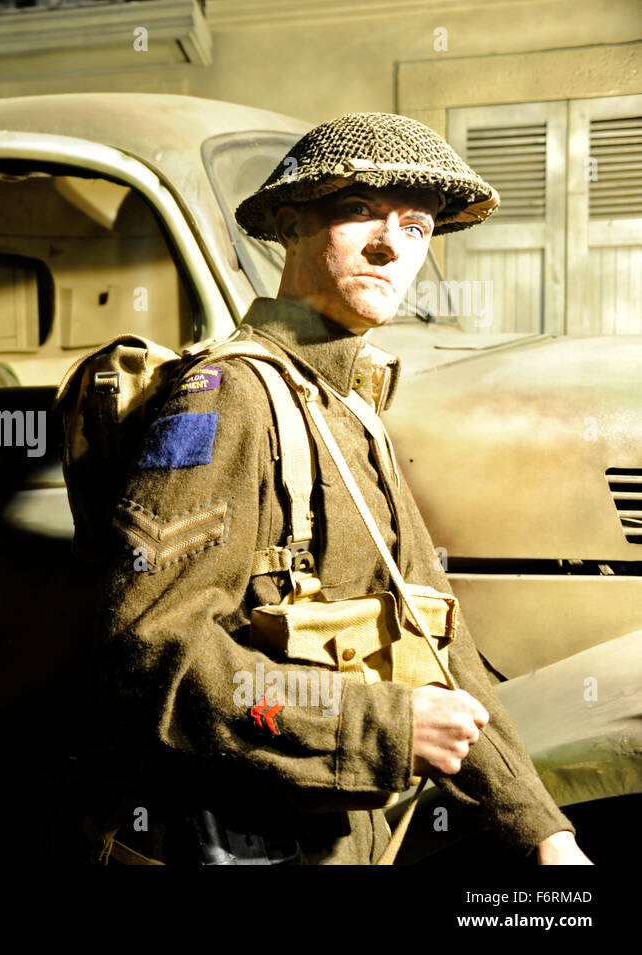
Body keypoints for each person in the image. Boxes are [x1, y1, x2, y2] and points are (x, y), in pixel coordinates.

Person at [98, 113, 592, 864]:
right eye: (359, 212)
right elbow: (153, 652)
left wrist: (545, 834)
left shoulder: (352, 407)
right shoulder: (227, 394)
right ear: (290, 228)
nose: (393, 246)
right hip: (242, 838)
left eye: (418, 228)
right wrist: (386, 728)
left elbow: (439, 649)